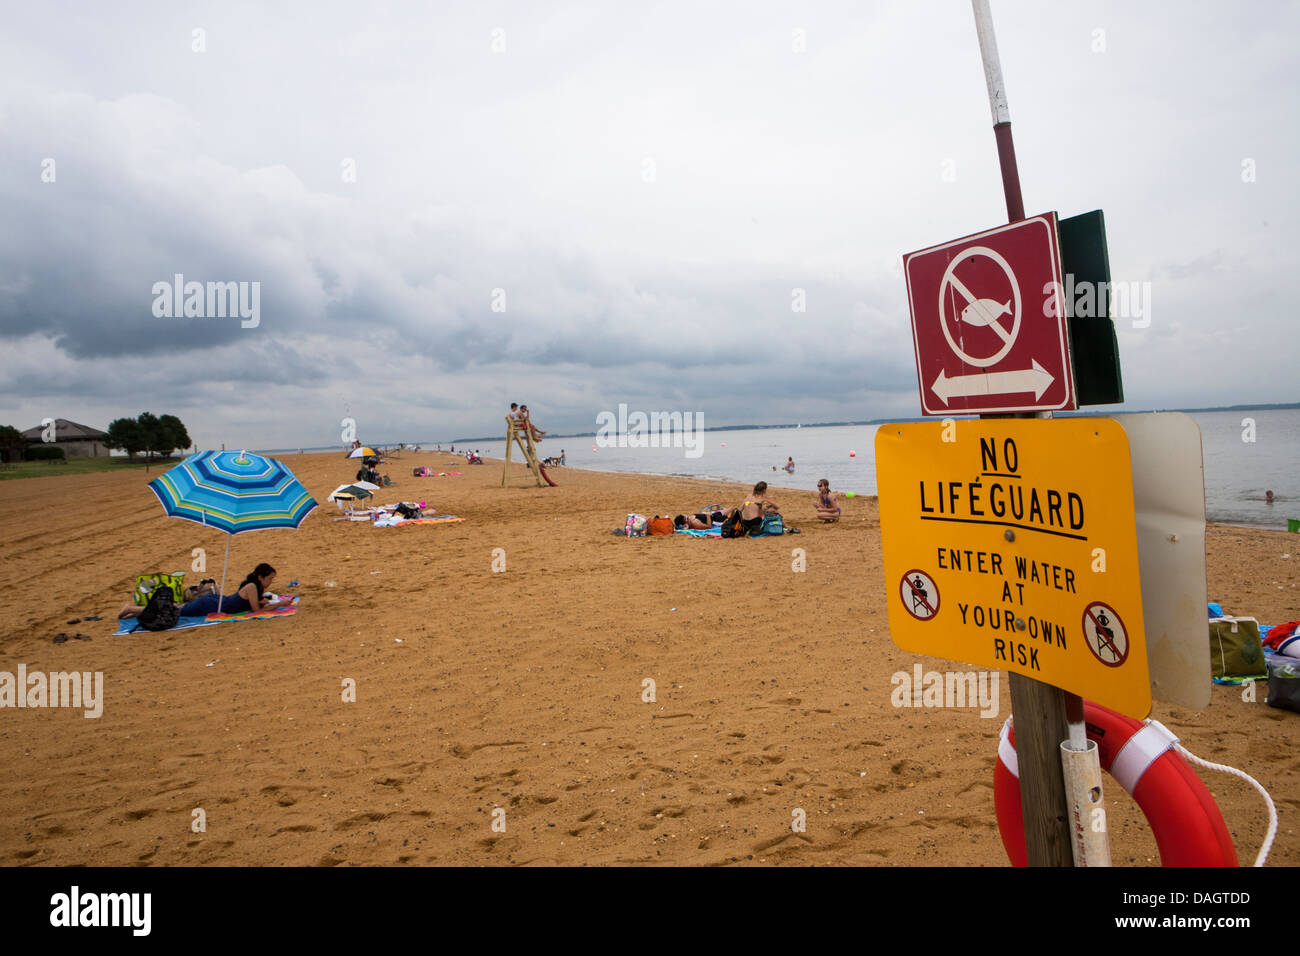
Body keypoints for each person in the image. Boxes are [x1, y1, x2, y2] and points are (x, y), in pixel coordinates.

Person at [118, 563, 292, 619]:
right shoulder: (253, 587)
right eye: (270, 579)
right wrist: (281, 604)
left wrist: (268, 601)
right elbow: (257, 611)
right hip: (210, 604)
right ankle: (131, 609)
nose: (271, 582)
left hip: (216, 602)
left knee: (175, 607)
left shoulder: (256, 586)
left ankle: (138, 613)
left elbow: (257, 603)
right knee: (173, 610)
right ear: (261, 577)